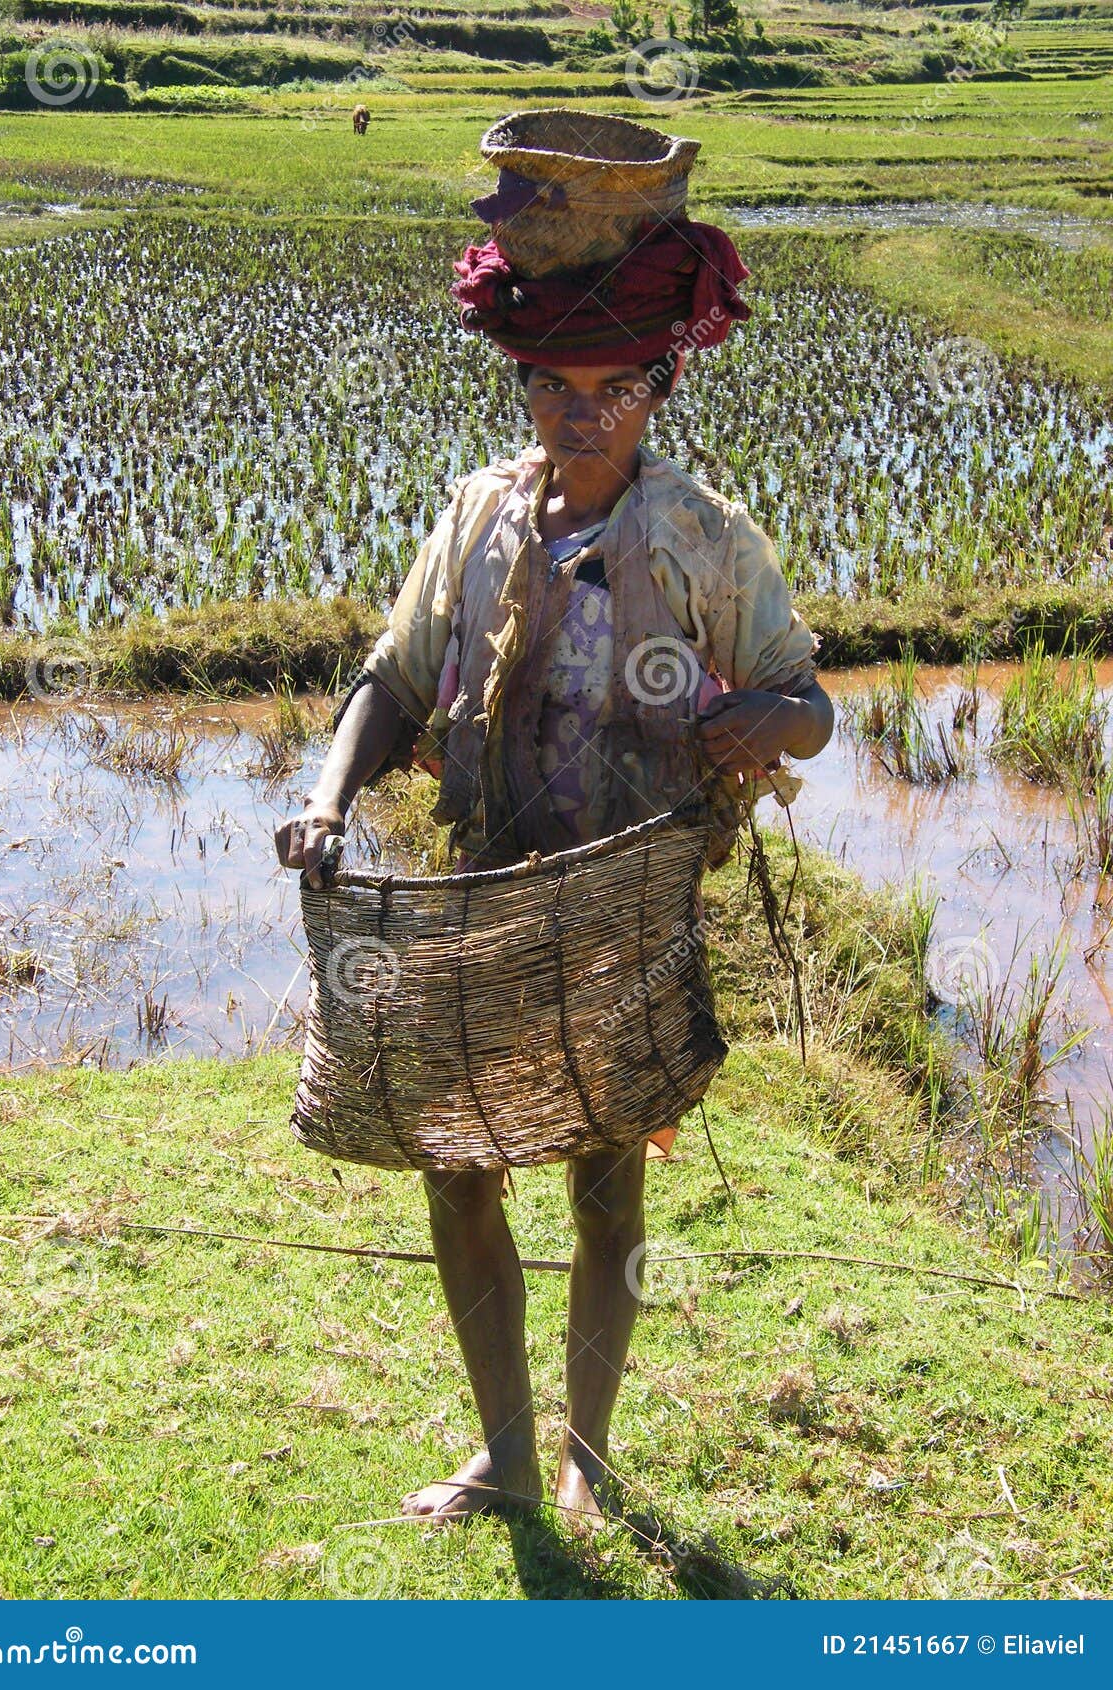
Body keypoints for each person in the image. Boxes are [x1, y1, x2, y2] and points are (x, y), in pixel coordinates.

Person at [275, 128, 834, 1532]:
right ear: (523, 380)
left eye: (613, 388)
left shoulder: (708, 539)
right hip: (483, 905)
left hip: (627, 915)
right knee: (455, 1170)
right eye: (556, 385)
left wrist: (763, 724)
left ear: (657, 386)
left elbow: (811, 702)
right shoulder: (476, 519)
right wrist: (327, 795)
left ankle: (588, 1452)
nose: (582, 413)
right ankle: (508, 1453)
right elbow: (393, 681)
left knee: (600, 1190)